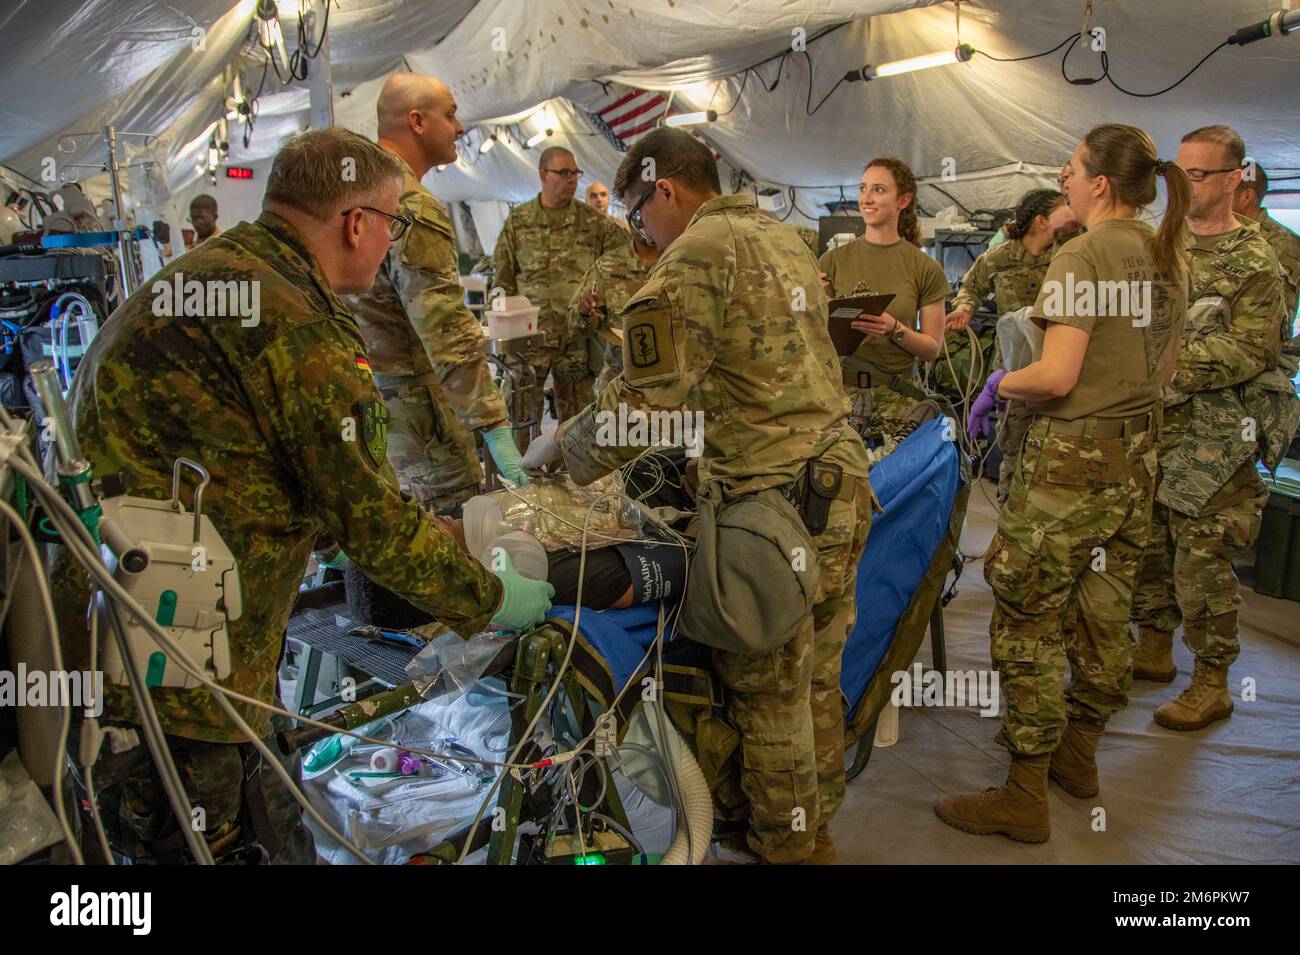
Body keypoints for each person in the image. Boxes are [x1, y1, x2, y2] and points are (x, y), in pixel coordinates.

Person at [51, 128, 553, 864]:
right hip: (186, 671)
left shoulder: (205, 277)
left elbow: (240, 461)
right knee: (220, 840)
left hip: (112, 643)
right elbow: (375, 531)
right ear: (358, 222)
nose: (391, 243)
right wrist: (491, 597)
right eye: (394, 224)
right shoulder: (301, 328)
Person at [521, 128, 874, 865]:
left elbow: (644, 403)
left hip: (774, 506)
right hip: (837, 483)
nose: (637, 229)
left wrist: (559, 454)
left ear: (667, 191)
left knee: (768, 690)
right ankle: (815, 825)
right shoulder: (782, 238)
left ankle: (790, 850)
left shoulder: (695, 256)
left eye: (637, 211)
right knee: (815, 677)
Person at [936, 124, 1190, 842]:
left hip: (1068, 469)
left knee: (1025, 619)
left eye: (1073, 169)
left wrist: (997, 383)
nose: (1064, 178)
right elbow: (1165, 374)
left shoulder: (1082, 254)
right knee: (1104, 617)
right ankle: (1078, 759)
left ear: (1101, 185)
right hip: (1134, 463)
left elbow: (1056, 375)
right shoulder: (1168, 250)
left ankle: (1024, 792)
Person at [1130, 125, 1286, 730]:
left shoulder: (1255, 259)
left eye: (1200, 175)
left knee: (1201, 558)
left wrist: (1169, 365)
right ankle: (1152, 645)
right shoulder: (1160, 242)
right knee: (1147, 541)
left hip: (1217, 434)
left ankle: (1213, 679)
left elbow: (1255, 349)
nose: (1186, 184)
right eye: (1181, 171)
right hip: (1154, 423)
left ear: (1233, 180)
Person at [347, 73, 524, 514]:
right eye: (451, 115)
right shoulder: (409, 205)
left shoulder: (348, 191)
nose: (460, 127)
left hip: (363, 409)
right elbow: (443, 326)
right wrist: (495, 425)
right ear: (417, 121)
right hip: (419, 423)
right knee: (449, 537)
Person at [952, 189, 1078, 504]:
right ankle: (1009, 514)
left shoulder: (1070, 255)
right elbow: (970, 286)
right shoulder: (998, 257)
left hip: (1059, 362)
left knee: (1056, 448)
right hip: (1013, 370)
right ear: (1040, 221)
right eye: (1063, 209)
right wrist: (964, 309)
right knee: (1014, 449)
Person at [492, 148, 629, 425]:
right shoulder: (519, 222)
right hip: (530, 337)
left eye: (575, 173)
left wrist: (603, 305)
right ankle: (520, 468)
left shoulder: (593, 223)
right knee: (519, 412)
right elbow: (502, 281)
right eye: (564, 173)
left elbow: (627, 260)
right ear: (544, 175)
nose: (572, 180)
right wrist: (500, 328)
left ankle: (570, 469)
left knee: (579, 419)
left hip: (575, 338)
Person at [819, 158, 948, 443]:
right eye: (863, 188)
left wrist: (894, 329)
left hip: (898, 402)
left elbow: (931, 348)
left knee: (890, 485)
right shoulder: (833, 260)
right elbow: (814, 335)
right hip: (841, 400)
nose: (866, 198)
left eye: (878, 190)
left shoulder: (924, 268)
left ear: (903, 200)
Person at [566, 230, 661, 396]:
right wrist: (584, 313)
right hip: (619, 382)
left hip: (672, 386)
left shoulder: (682, 260)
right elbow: (574, 325)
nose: (643, 224)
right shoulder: (607, 265)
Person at [1233, 163, 1300, 327]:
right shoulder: (1226, 236)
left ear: (1246, 196)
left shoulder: (1282, 244)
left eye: (1224, 192)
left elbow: (1274, 318)